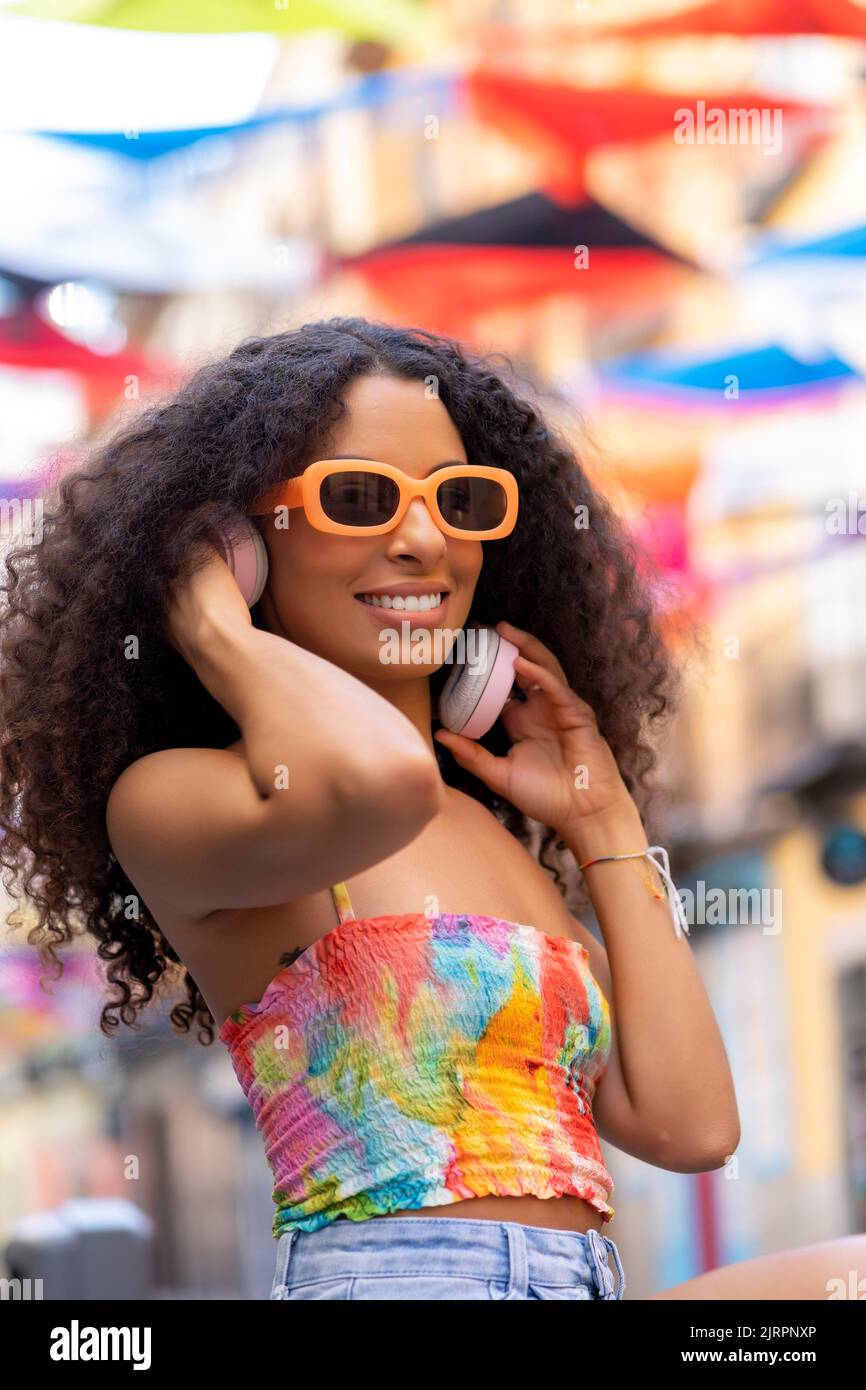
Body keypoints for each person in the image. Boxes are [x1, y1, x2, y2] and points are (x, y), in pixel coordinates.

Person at [1, 317, 862, 1300]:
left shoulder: (491, 837)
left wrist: (604, 824)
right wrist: (213, 631)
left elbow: (689, 1125)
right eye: (360, 499)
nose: (420, 539)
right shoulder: (181, 800)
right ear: (237, 544)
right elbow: (378, 784)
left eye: (458, 501)